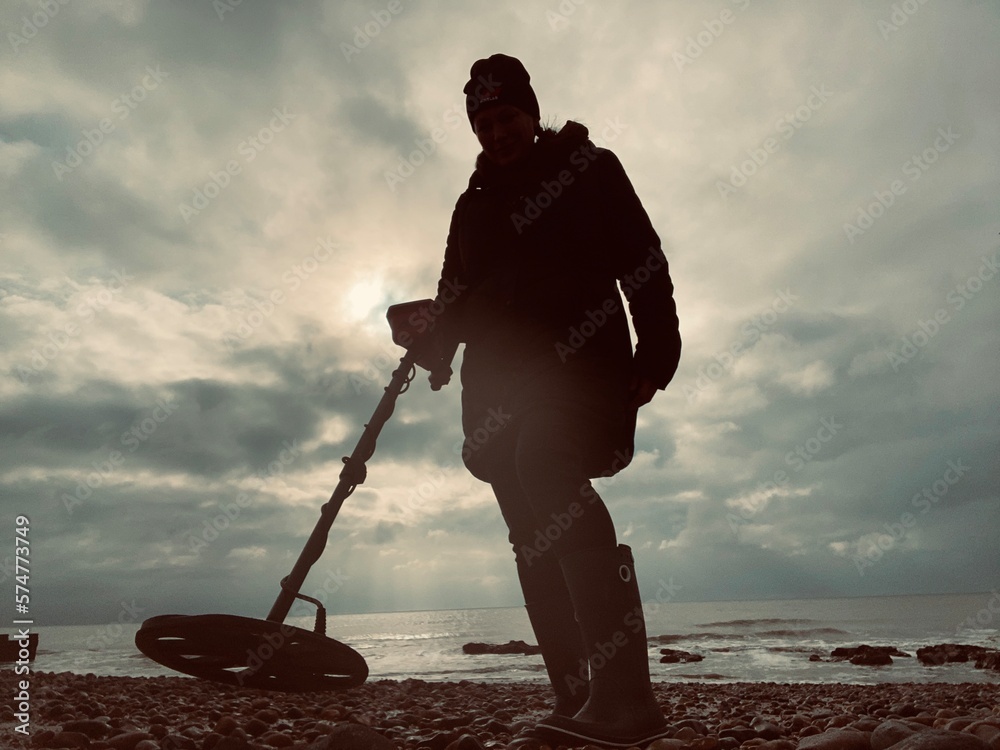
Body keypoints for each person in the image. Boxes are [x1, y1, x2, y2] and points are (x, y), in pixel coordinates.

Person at [426, 53, 682, 747]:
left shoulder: (589, 169)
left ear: (532, 113)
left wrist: (658, 349)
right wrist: (430, 340)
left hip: (582, 368)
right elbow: (455, 298)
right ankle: (576, 696)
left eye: (506, 116)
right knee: (527, 526)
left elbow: (644, 260)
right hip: (496, 389)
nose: (497, 132)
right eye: (483, 124)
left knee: (544, 464)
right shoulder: (471, 207)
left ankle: (625, 699)